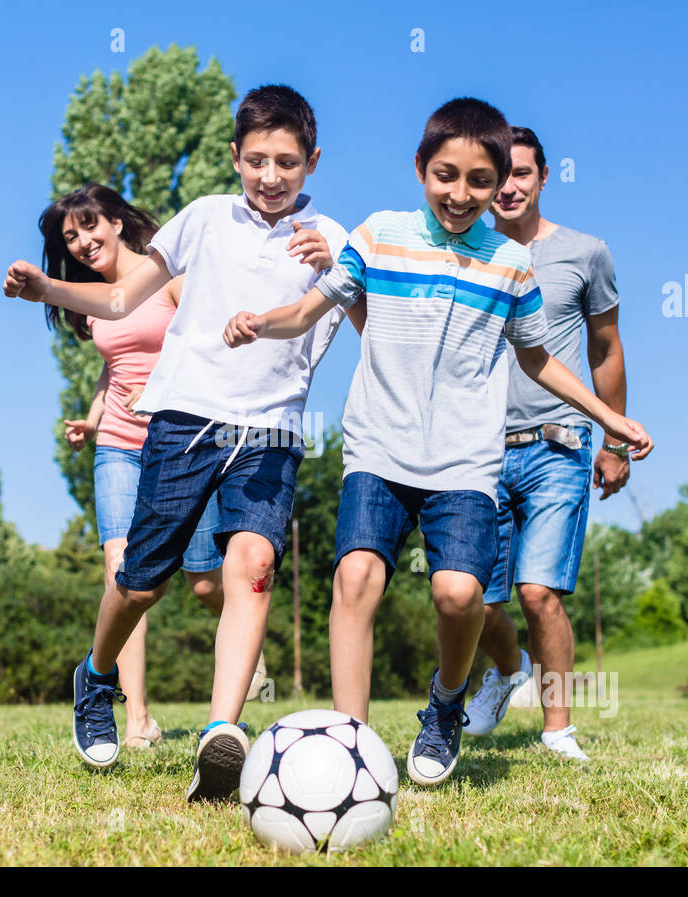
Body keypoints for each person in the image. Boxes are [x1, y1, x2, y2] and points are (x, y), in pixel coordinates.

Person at [223, 97, 652, 787]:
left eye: (480, 181)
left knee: (459, 595)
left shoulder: (512, 265)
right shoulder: (380, 234)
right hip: (377, 448)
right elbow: (315, 305)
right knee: (355, 577)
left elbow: (538, 358)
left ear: (500, 183)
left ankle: (446, 704)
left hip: (465, 459)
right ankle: (350, 744)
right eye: (446, 175)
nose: (461, 194)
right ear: (421, 168)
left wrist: (609, 417)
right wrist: (261, 322)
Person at [4, 85, 362, 800]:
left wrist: (340, 271)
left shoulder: (339, 240)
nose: (269, 176)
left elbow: (372, 338)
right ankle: (96, 677)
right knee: (141, 581)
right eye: (256, 160)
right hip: (185, 417)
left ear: (313, 161)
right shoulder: (201, 220)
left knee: (251, 565)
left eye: (286, 162)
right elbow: (115, 300)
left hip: (272, 429)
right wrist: (47, 289)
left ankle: (218, 738)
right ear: (234, 157)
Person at [41, 183, 253, 750]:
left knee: (206, 581)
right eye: (70, 237)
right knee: (125, 572)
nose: (83, 242)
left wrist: (164, 389)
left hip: (186, 440)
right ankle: (134, 717)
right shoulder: (96, 304)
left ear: (114, 221)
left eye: (89, 227)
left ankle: (244, 655)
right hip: (120, 444)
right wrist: (92, 418)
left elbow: (209, 339)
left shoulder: (167, 275)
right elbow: (115, 372)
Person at [462, 127, 630, 761]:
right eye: (498, 174)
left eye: (522, 174)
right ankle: (508, 673)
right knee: (471, 597)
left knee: (539, 591)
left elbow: (606, 349)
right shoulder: (463, 250)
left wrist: (613, 434)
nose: (508, 187)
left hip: (558, 443)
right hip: (474, 448)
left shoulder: (586, 253)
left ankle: (557, 729)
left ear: (543, 177)